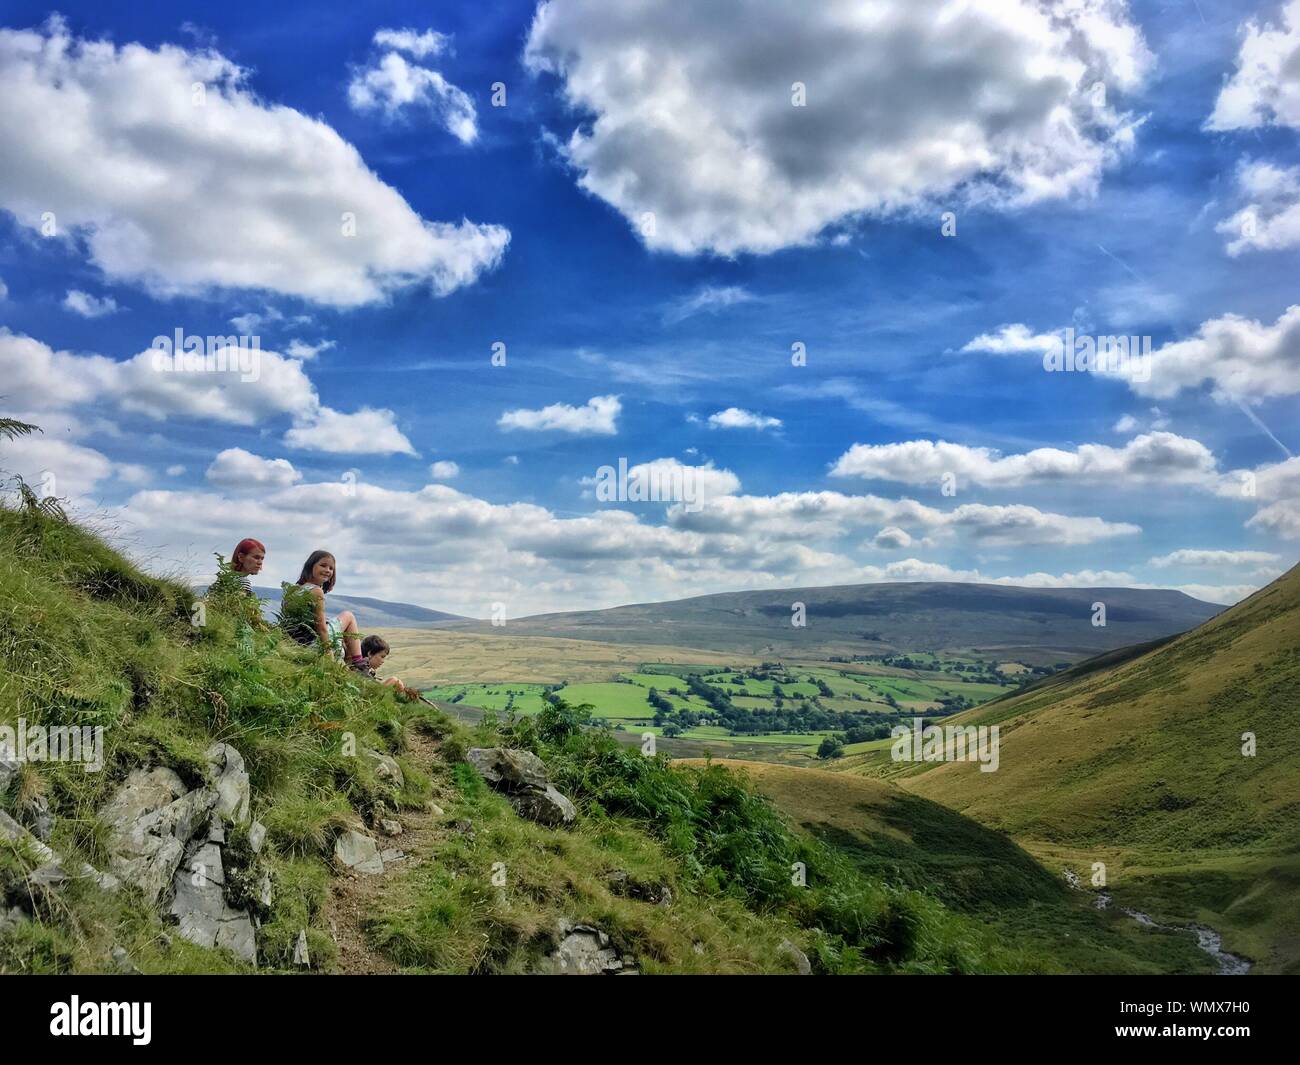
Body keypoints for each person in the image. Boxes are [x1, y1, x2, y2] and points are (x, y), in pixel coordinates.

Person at [281, 550, 366, 670]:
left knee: (341, 633)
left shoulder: (292, 590)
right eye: (323, 565)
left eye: (331, 568)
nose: (327, 570)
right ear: (311, 566)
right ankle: (360, 665)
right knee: (349, 616)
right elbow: (320, 627)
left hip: (295, 643)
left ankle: (351, 665)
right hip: (313, 645)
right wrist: (328, 652)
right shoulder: (316, 591)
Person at [359, 635, 423, 701]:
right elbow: (373, 695)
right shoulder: (360, 669)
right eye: (382, 656)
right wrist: (394, 681)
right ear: (370, 654)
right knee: (394, 680)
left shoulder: (363, 669)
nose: (383, 661)